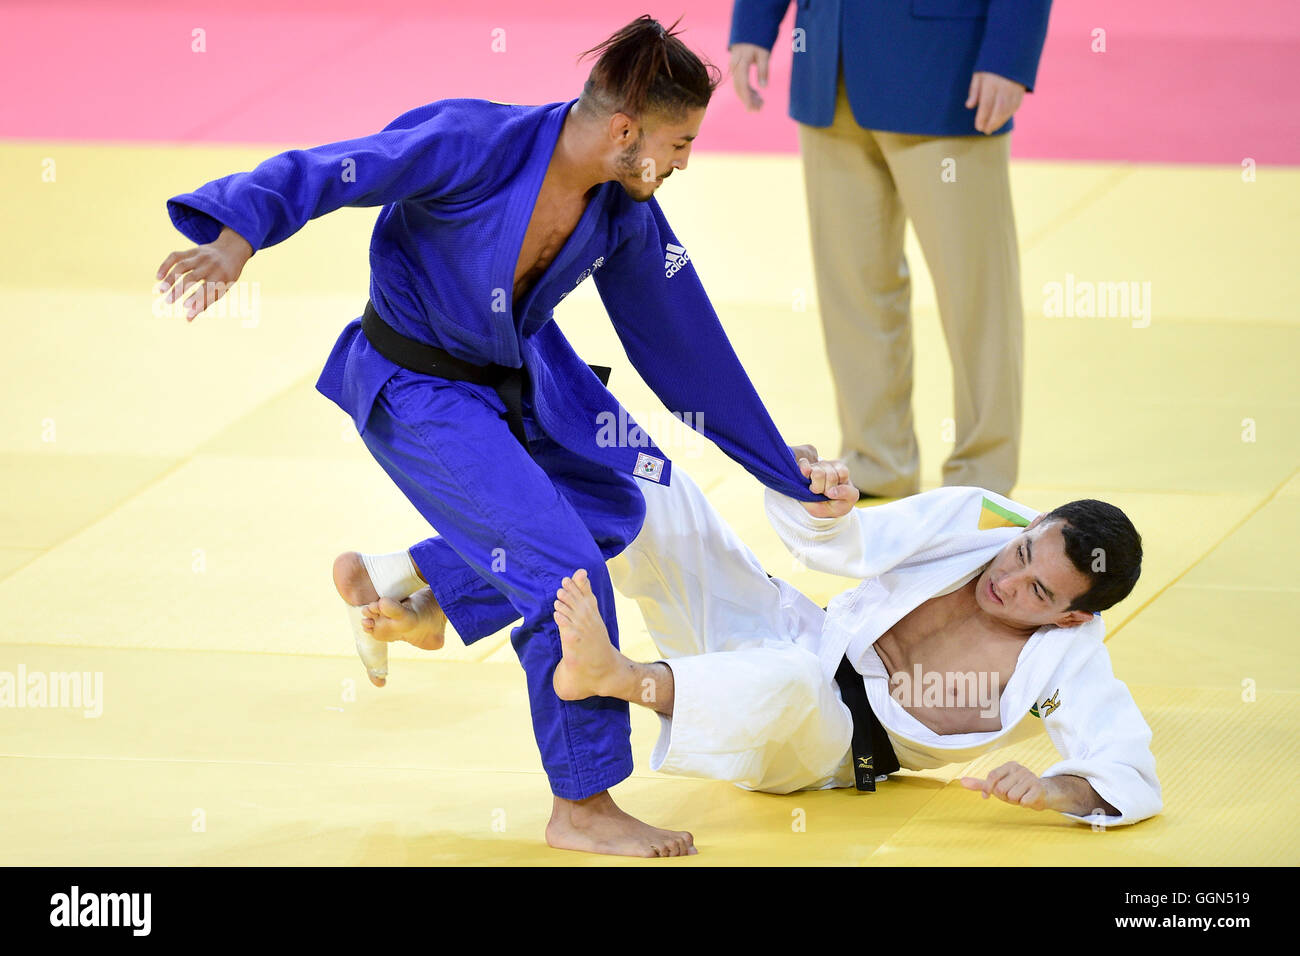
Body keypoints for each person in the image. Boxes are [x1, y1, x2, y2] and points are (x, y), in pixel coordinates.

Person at [154, 16, 826, 859]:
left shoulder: (623, 207)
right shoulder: (473, 142)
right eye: (680, 143)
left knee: (616, 505)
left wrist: (782, 467)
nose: (685, 162)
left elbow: (684, 343)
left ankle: (420, 589)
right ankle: (581, 804)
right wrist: (237, 237)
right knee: (568, 576)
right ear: (625, 131)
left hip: (525, 376)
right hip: (419, 387)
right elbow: (337, 167)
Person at [360, 450, 1160, 832]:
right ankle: (437, 597)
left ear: (1072, 617)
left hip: (825, 748)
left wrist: (1055, 789)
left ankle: (622, 676)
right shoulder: (988, 518)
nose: (1009, 580)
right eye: (1024, 553)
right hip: (793, 629)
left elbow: (1127, 767)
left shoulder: (1070, 660)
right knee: (646, 481)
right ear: (1034, 524)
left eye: (1039, 592)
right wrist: (825, 500)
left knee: (795, 685)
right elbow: (845, 546)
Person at [729, 1, 1053, 497]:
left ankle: (982, 474)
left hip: (948, 72)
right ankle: (876, 459)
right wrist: (753, 22)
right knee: (852, 287)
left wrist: (1010, 55)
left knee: (976, 295)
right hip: (826, 62)